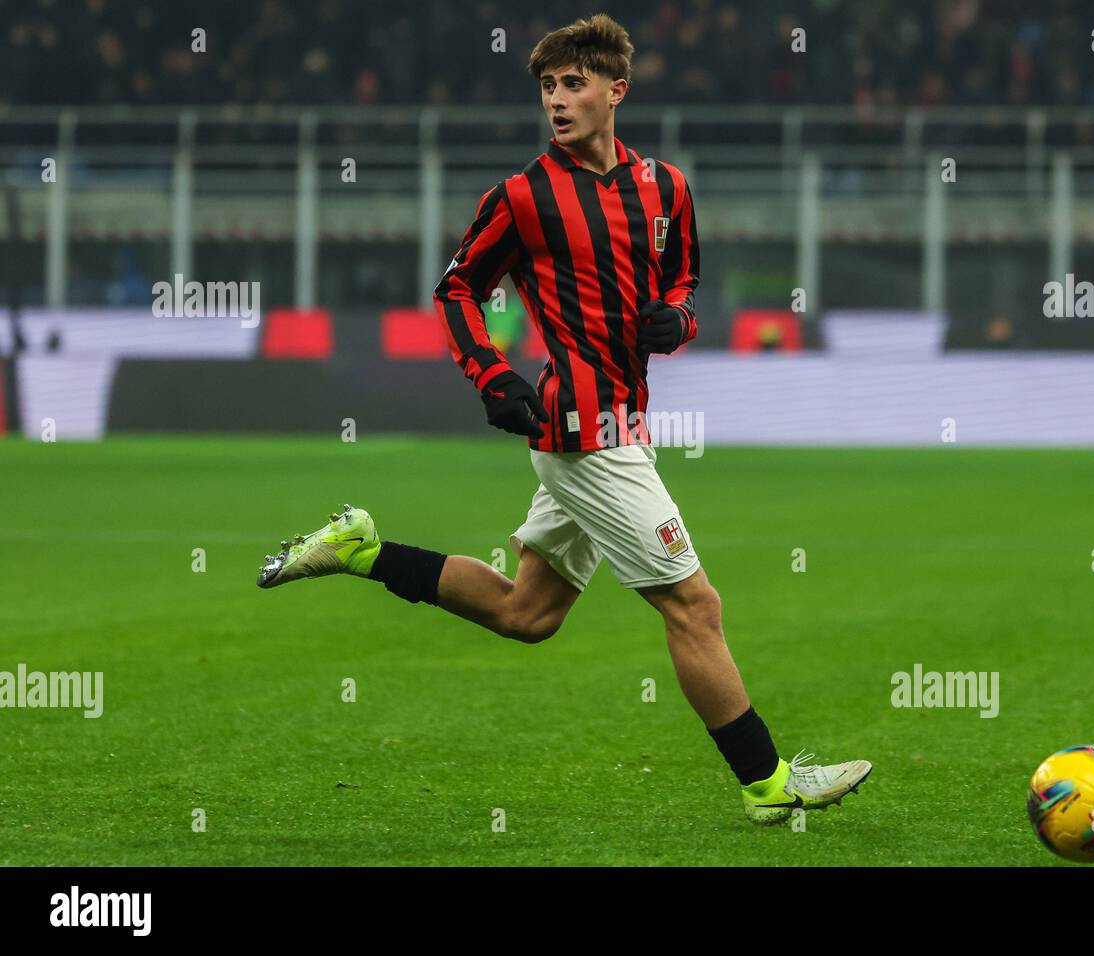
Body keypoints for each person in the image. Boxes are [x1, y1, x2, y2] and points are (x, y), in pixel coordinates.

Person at [257, 13, 871, 825]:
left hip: (622, 423)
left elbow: (684, 280)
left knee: (527, 613)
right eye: (547, 86)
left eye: (573, 84)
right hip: (584, 435)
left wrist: (679, 321)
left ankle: (363, 549)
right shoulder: (522, 197)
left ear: (617, 90)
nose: (557, 99)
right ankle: (767, 782)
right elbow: (456, 290)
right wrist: (491, 372)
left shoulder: (667, 188)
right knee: (696, 607)